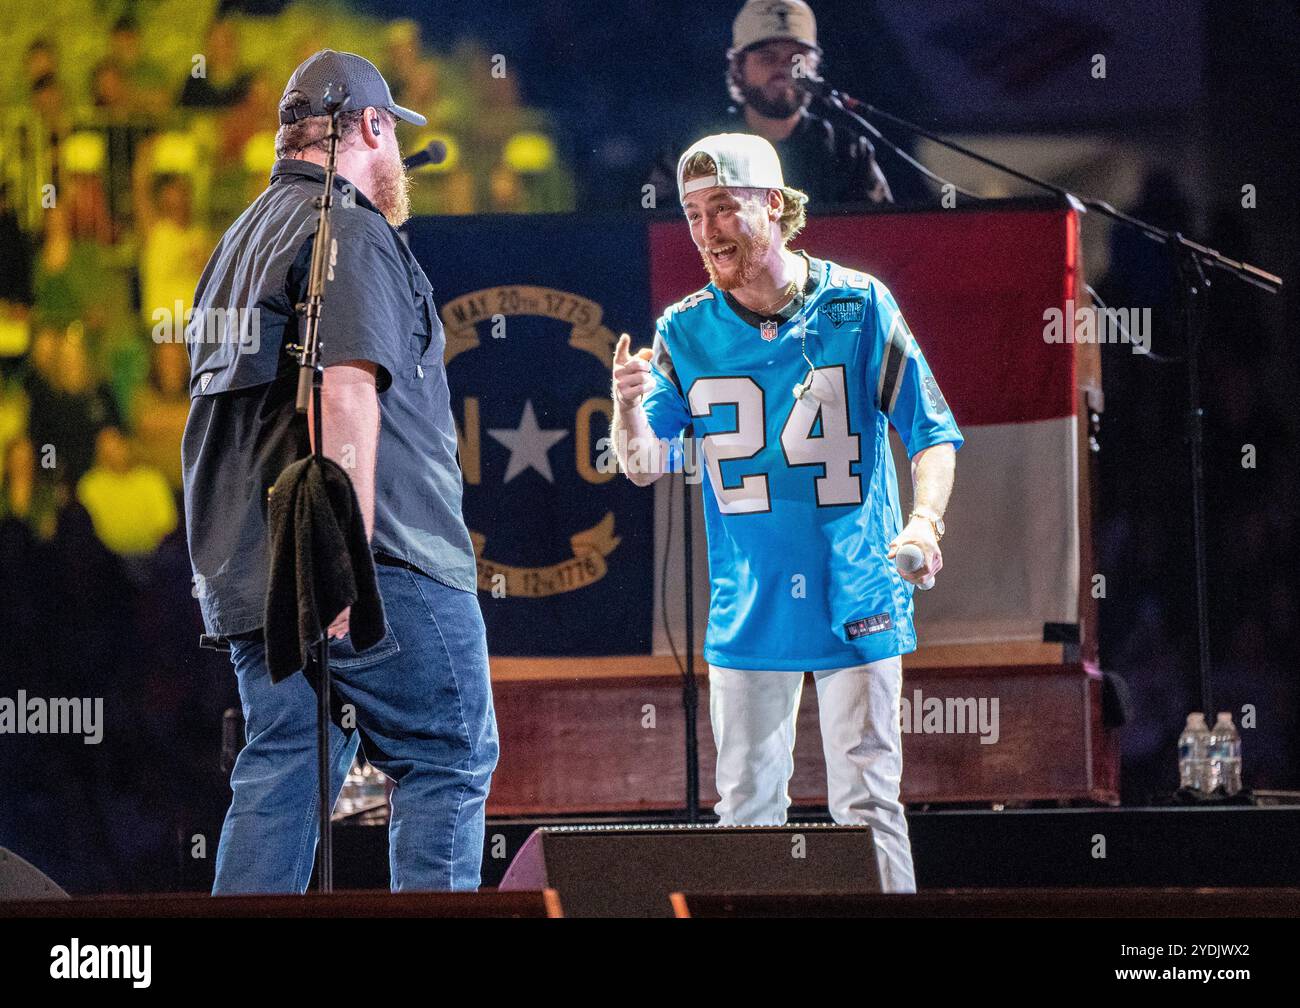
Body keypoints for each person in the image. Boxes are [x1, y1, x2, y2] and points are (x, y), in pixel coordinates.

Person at [181, 50, 497, 894]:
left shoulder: (237, 244)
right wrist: (340, 558)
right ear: (372, 127)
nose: (398, 163)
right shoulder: (350, 227)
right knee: (449, 752)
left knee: (284, 769)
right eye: (392, 138)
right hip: (376, 563)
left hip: (251, 579)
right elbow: (345, 392)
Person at [612, 133, 960, 892]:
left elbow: (932, 432)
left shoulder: (858, 303)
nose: (707, 233)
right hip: (751, 601)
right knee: (746, 813)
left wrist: (925, 523)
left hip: (857, 589)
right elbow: (643, 464)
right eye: (694, 215)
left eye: (723, 209)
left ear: (773, 204)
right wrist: (628, 411)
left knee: (868, 803)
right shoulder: (683, 329)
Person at [650, 0, 891, 210]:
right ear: (739, 68)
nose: (783, 70)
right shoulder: (694, 149)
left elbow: (888, 234)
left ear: (813, 67)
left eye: (796, 59)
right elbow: (650, 223)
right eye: (768, 57)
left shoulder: (849, 151)